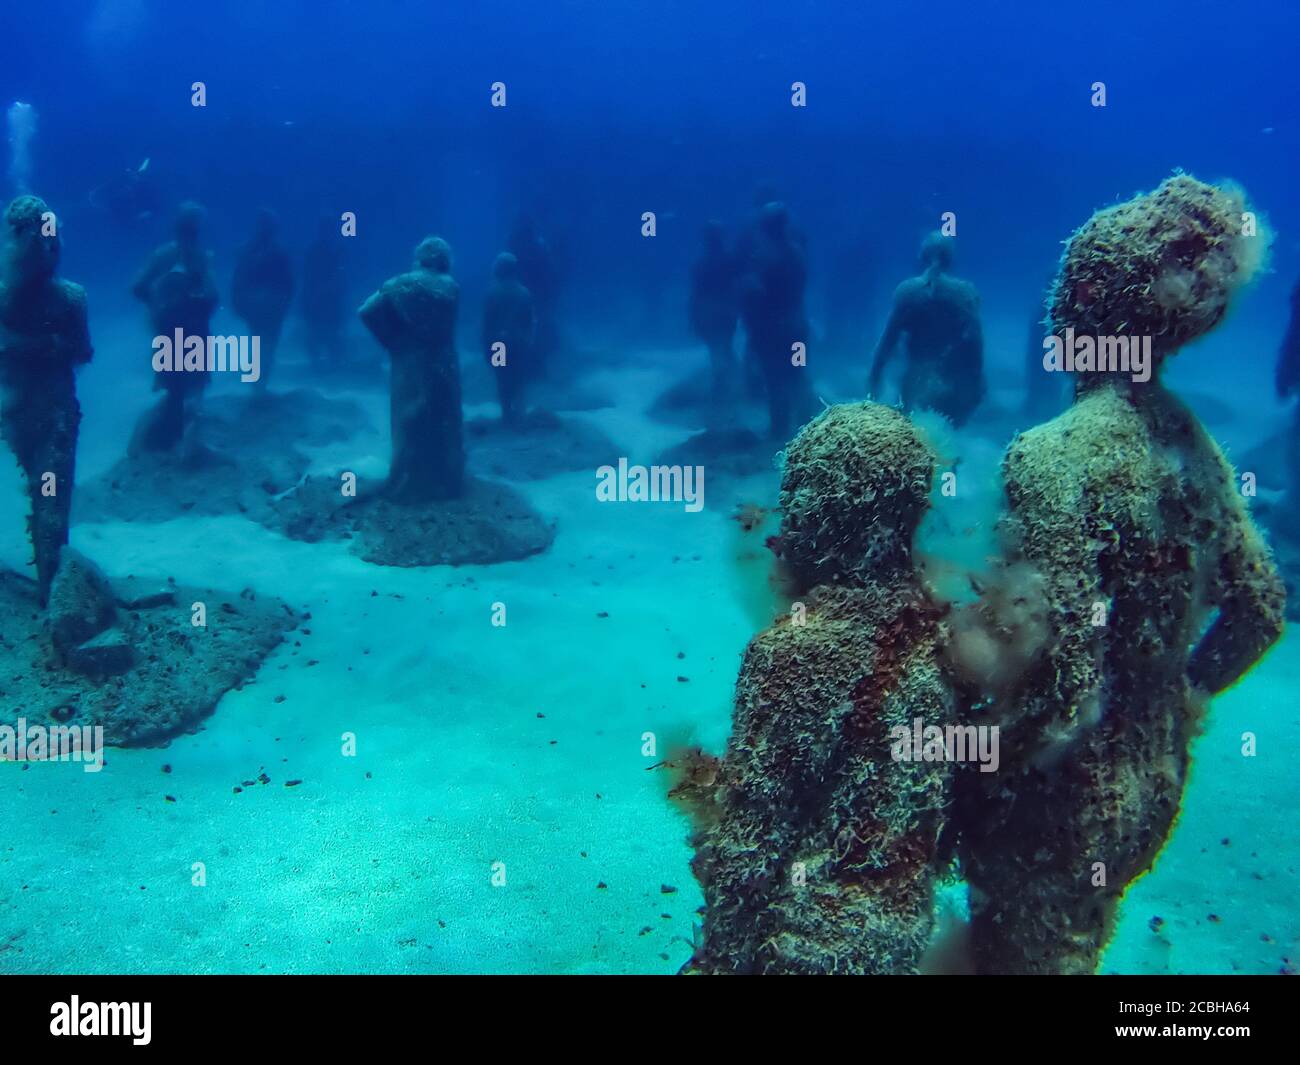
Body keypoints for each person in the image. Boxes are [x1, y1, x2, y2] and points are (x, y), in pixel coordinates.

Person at [0, 195, 92, 603]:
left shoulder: (67, 298)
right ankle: (52, 593)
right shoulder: (69, 297)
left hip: (45, 411)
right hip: (44, 410)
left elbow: (81, 350)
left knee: (50, 501)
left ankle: (54, 596)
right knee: (51, 501)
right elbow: (82, 351)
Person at [358, 236, 463, 502]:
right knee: (443, 418)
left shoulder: (399, 284)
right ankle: (445, 480)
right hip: (442, 361)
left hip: (408, 361)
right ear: (444, 259)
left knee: (407, 419)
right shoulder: (451, 286)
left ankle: (406, 480)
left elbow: (367, 311)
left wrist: (393, 340)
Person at [868, 232, 985, 426]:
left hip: (916, 380)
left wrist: (875, 376)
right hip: (952, 380)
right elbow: (975, 342)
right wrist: (977, 382)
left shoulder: (907, 292)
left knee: (914, 438)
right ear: (951, 260)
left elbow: (887, 341)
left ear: (922, 256)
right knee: (946, 442)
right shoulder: (966, 293)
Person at [129, 201, 218, 453]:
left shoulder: (165, 254)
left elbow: (138, 287)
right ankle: (186, 443)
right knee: (193, 387)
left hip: (170, 329)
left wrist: (158, 307)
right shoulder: (202, 258)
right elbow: (213, 296)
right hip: (192, 329)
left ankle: (173, 439)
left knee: (175, 387)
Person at [738, 202, 815, 440]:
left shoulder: (762, 257)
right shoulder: (797, 252)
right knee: (797, 373)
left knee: (774, 379)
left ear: (763, 226)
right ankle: (807, 428)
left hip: (771, 330)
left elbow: (755, 295)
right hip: (798, 326)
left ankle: (779, 432)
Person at [231, 208, 294, 386]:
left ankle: (259, 382)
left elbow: (288, 284)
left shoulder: (257, 250)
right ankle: (259, 382)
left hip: (267, 307)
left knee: (263, 344)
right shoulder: (252, 250)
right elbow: (239, 280)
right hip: (261, 307)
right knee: (263, 343)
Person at [688, 221, 739, 417]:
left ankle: (722, 389)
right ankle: (728, 385)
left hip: (709, 312)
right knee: (725, 348)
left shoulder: (700, 265)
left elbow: (696, 295)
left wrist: (693, 317)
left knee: (717, 351)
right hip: (727, 311)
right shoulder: (730, 261)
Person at [481, 252, 535, 425]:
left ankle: (506, 413)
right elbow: (529, 321)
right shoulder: (524, 292)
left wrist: (486, 346)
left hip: (498, 343)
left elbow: (487, 323)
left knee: (502, 377)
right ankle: (520, 415)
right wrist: (528, 340)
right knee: (519, 377)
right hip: (519, 342)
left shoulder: (492, 293)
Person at [300, 216, 347, 367]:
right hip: (319, 296)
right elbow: (308, 275)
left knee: (328, 329)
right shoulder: (317, 250)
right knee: (318, 329)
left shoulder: (333, 249)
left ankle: (328, 359)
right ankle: (321, 360)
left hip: (327, 297)